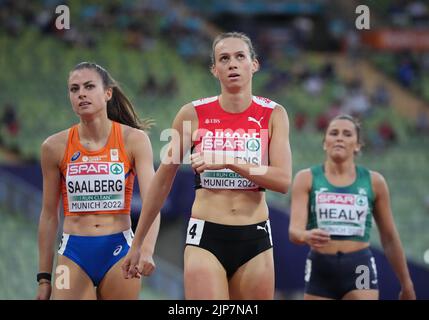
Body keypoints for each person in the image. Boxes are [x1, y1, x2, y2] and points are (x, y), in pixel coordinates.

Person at [122, 32, 292, 299]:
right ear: (215, 69)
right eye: (224, 59)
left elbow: (281, 180)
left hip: (256, 239)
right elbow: (162, 180)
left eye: (240, 57)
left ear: (254, 64)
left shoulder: (273, 114)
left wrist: (229, 161)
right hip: (206, 237)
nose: (232, 64)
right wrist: (139, 243)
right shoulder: (192, 114)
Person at [36, 62, 160, 300]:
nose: (81, 93)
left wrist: (146, 250)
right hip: (73, 252)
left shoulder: (134, 140)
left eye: (89, 86)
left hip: (120, 250)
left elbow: (153, 202)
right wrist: (43, 278)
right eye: (74, 89)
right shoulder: (53, 147)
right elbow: (49, 214)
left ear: (107, 93)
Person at [289, 114, 416, 300]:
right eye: (334, 133)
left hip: (359, 264)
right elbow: (294, 232)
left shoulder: (374, 182)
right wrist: (305, 235)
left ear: (357, 145)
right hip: (320, 266)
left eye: (347, 134)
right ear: (325, 142)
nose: (339, 137)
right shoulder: (306, 178)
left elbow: (389, 237)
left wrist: (407, 283)